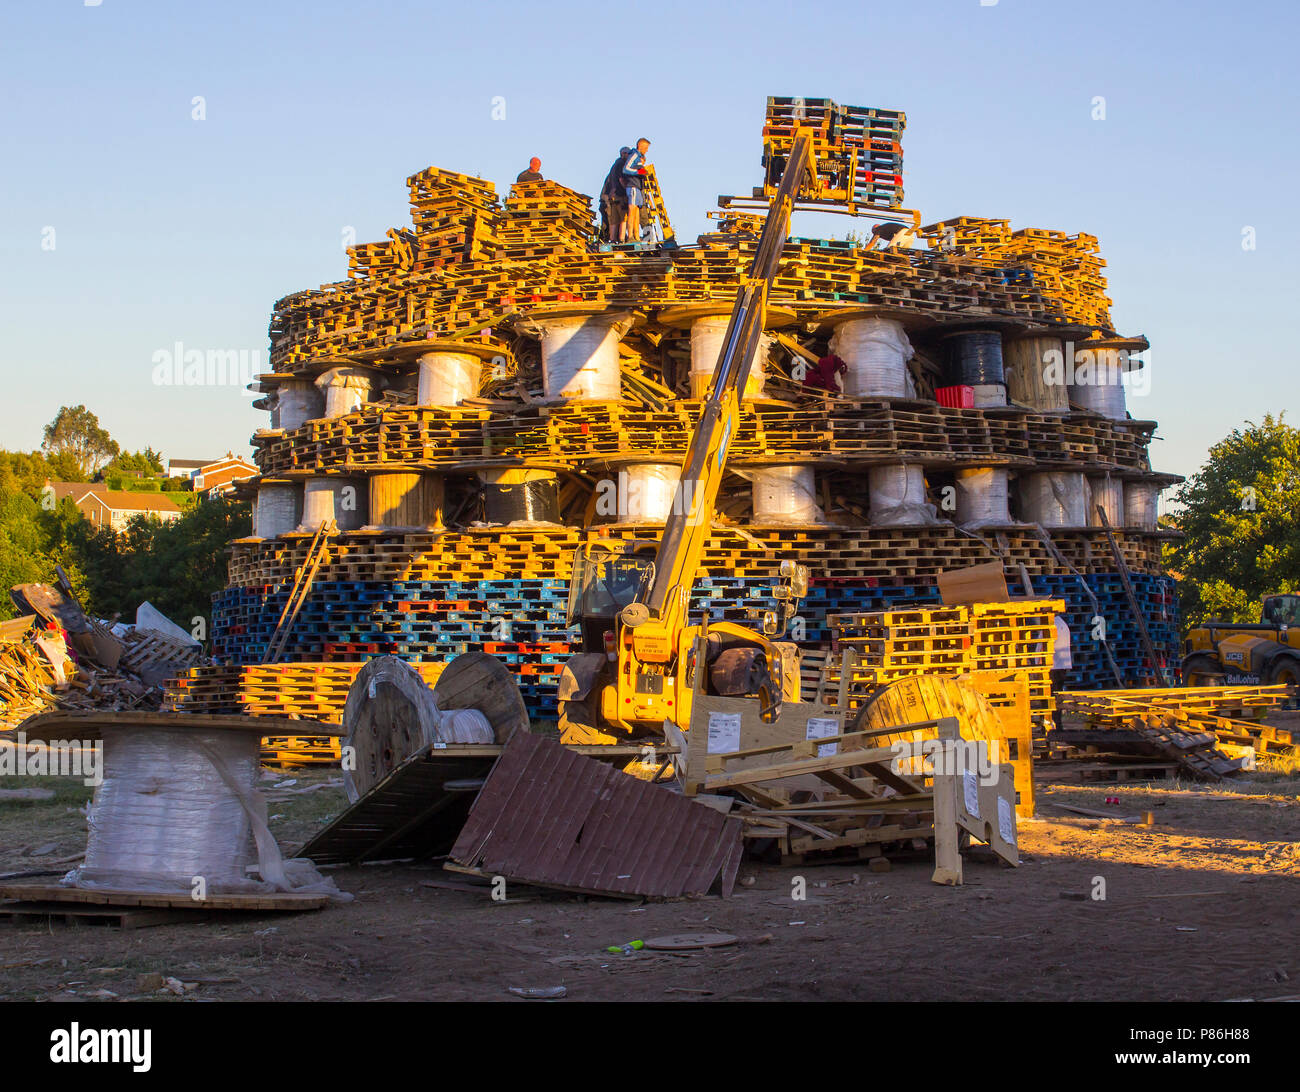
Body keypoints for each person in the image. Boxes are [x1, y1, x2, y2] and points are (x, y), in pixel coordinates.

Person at [620, 138, 651, 243]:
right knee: (632, 211)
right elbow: (626, 169)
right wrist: (638, 173)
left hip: (638, 187)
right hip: (632, 186)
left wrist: (643, 171)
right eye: (646, 148)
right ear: (640, 146)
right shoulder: (634, 155)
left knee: (637, 213)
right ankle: (630, 237)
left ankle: (637, 237)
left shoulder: (639, 157)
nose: (647, 150)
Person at [599, 147, 631, 242]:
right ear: (624, 154)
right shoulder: (621, 164)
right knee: (623, 218)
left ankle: (612, 239)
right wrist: (627, 189)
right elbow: (621, 179)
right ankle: (621, 239)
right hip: (619, 195)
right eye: (627, 153)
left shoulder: (614, 166)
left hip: (611, 197)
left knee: (613, 220)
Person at [1051, 615, 1072, 729]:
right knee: (1058, 694)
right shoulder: (1063, 625)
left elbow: (1041, 644)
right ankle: (1058, 723)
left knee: (1051, 696)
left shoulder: (1051, 624)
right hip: (1062, 666)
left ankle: (1053, 722)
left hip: (1053, 666)